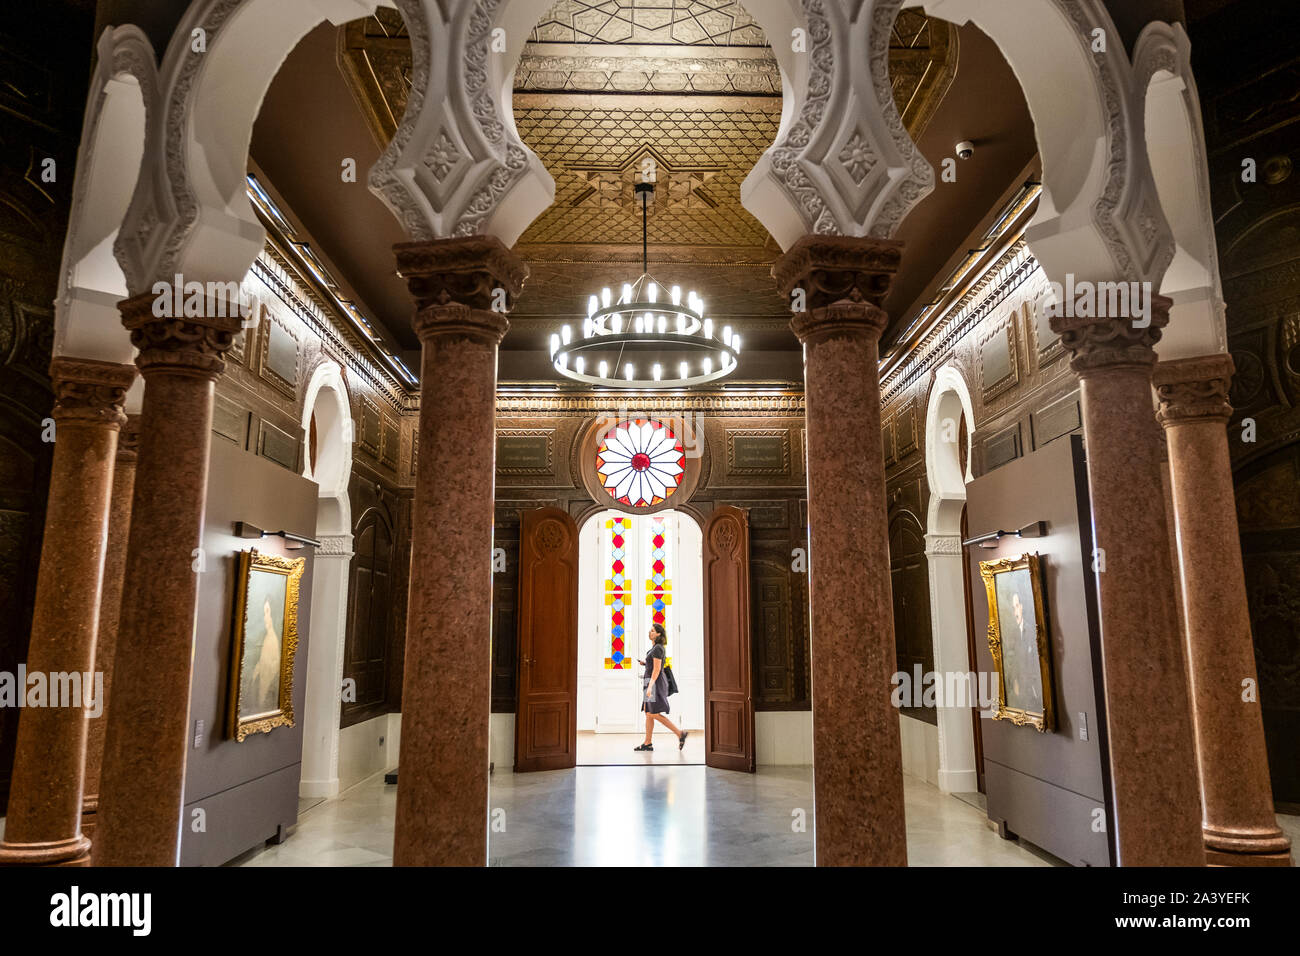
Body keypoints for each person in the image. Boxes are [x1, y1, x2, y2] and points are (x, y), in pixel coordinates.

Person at [634, 623, 687, 752]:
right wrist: (645, 663)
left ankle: (680, 733)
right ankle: (648, 743)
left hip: (654, 683)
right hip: (650, 681)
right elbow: (654, 665)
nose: (649, 632)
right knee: (648, 713)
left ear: (658, 634)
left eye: (652, 631)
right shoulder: (655, 648)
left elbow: (657, 669)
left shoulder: (658, 648)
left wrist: (650, 686)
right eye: (650, 630)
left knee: (653, 713)